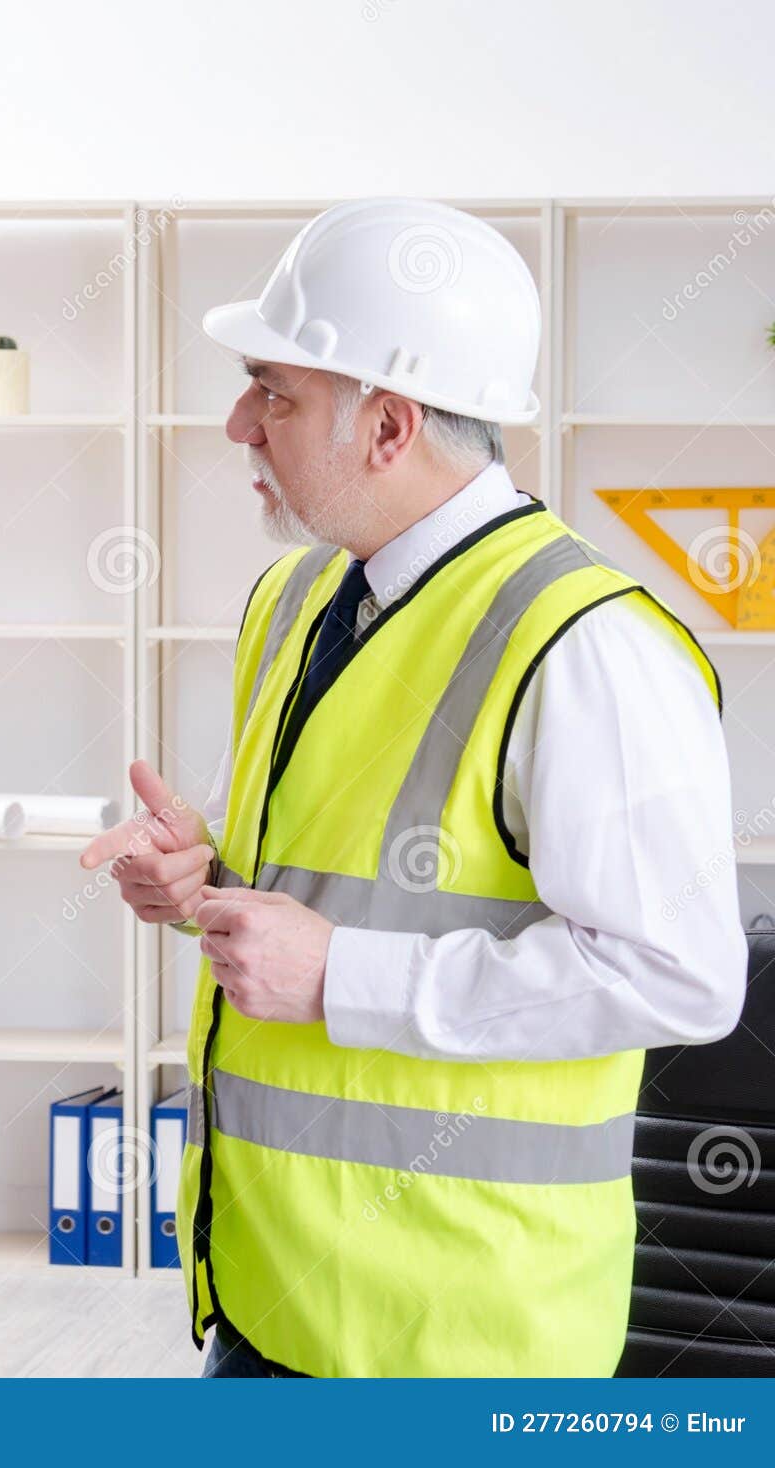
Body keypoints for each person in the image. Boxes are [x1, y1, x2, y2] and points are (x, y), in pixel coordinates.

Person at [82, 197, 746, 1378]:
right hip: (268, 1294)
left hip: (463, 1342)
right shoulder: (293, 603)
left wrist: (340, 973)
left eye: (272, 391)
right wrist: (207, 880)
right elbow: (366, 880)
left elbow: (679, 972)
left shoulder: (586, 645)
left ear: (386, 424)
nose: (237, 422)